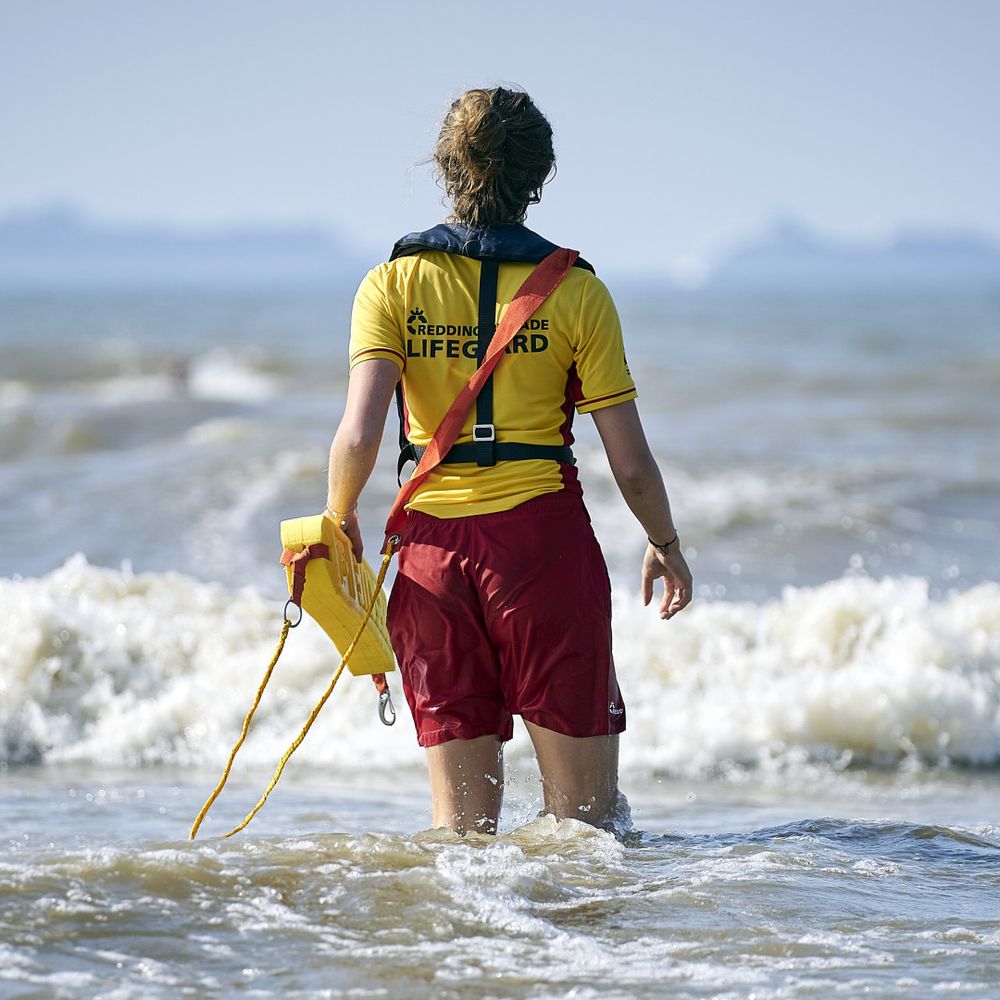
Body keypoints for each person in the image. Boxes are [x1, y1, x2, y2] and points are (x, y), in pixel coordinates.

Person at [323, 86, 691, 835]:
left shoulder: (391, 284)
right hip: (541, 550)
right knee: (586, 829)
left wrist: (338, 522)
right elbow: (631, 463)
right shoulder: (579, 292)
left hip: (429, 559)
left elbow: (360, 436)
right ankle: (575, 951)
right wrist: (666, 542)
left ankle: (470, 952)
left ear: (446, 169)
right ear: (539, 177)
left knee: (460, 833)